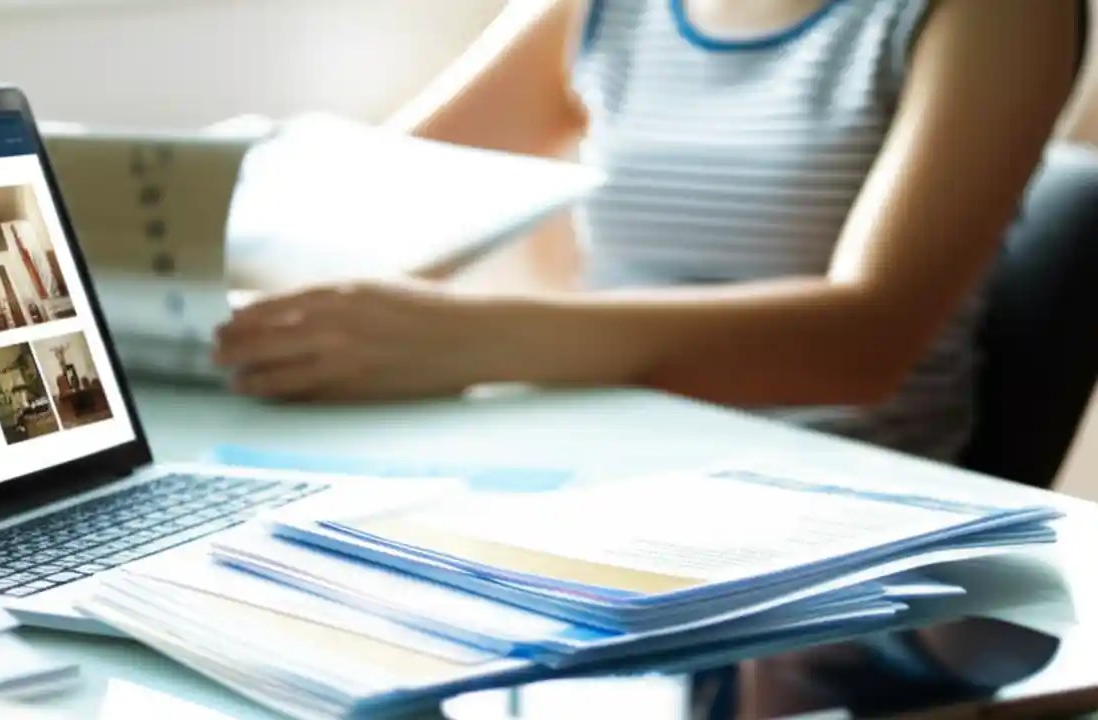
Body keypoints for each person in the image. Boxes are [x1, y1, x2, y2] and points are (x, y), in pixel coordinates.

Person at [214, 0, 1081, 462]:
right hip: (609, 466)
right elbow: (367, 205)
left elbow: (865, 340)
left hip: (834, 497)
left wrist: (478, 341)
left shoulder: (992, 10)